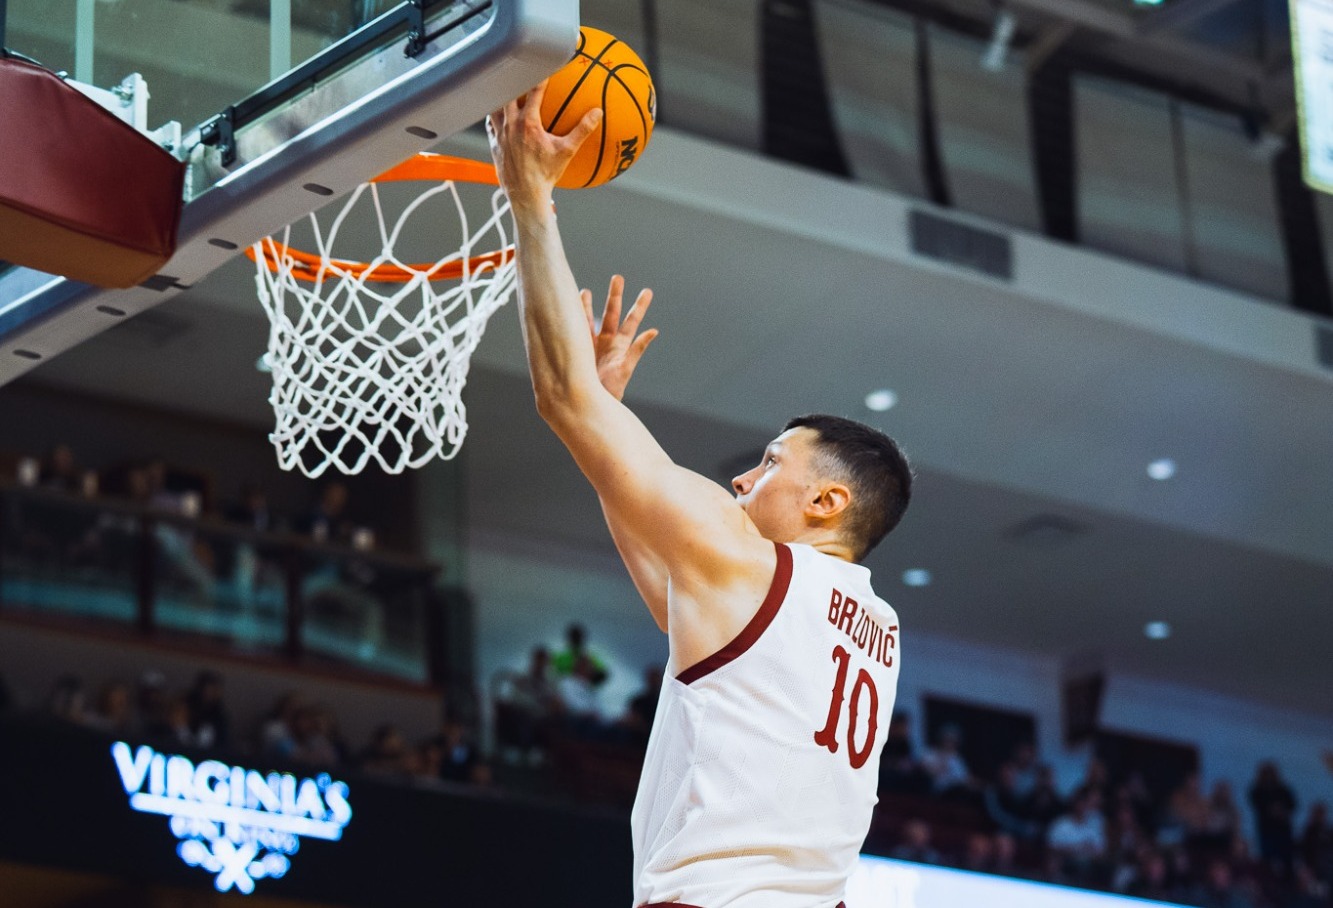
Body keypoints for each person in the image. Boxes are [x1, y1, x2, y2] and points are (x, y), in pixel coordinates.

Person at [488, 84, 913, 908]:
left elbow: (561, 398)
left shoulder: (749, 563)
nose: (743, 480)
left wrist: (529, 194)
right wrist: (605, 426)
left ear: (826, 502)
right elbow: (674, 595)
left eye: (771, 462)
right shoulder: (874, 626)